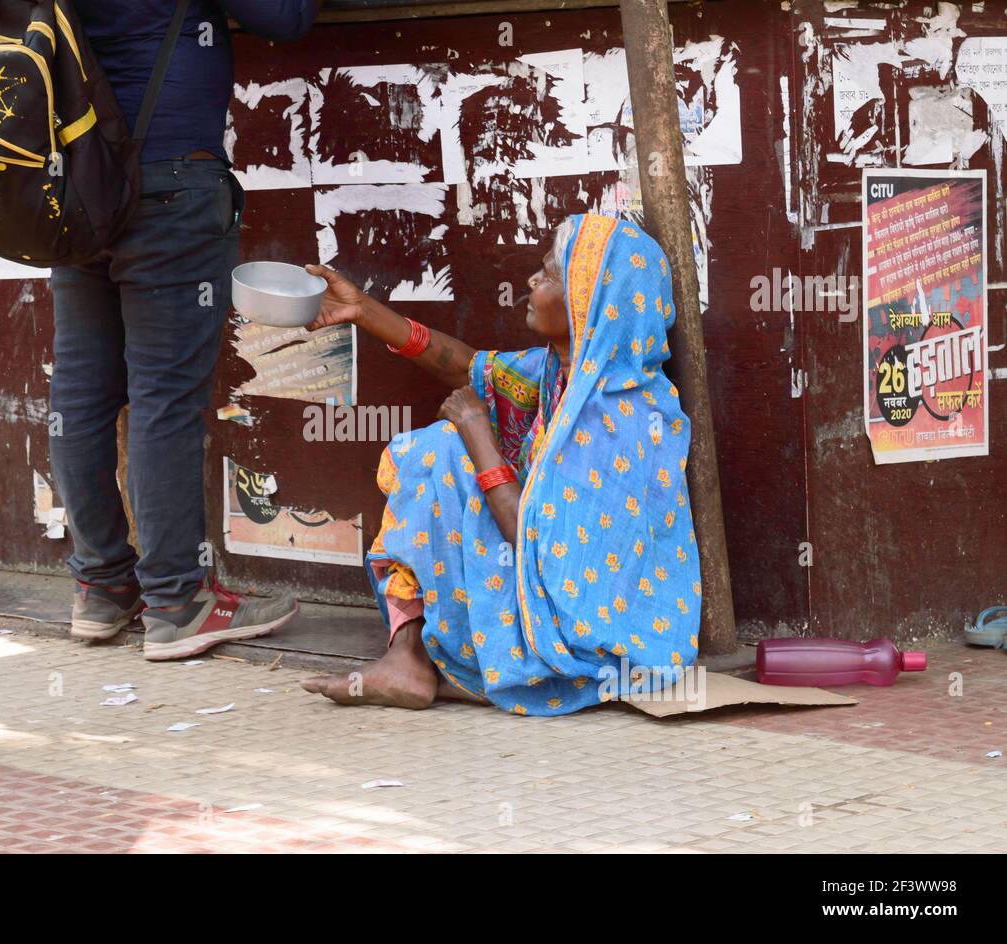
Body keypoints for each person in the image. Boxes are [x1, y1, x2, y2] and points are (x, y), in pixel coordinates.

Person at [300, 214, 702, 714]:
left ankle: (434, 663)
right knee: (435, 450)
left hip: (588, 637)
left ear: (589, 302)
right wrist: (362, 311)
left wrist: (477, 434)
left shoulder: (624, 416)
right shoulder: (565, 374)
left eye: (551, 274)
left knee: (447, 448)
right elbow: (466, 365)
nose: (533, 280)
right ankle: (407, 657)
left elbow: (537, 546)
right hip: (542, 592)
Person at [51, 2, 318, 657]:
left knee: (82, 393)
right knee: (164, 397)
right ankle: (175, 599)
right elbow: (288, 17)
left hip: (78, 185)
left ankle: (102, 586)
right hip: (167, 184)